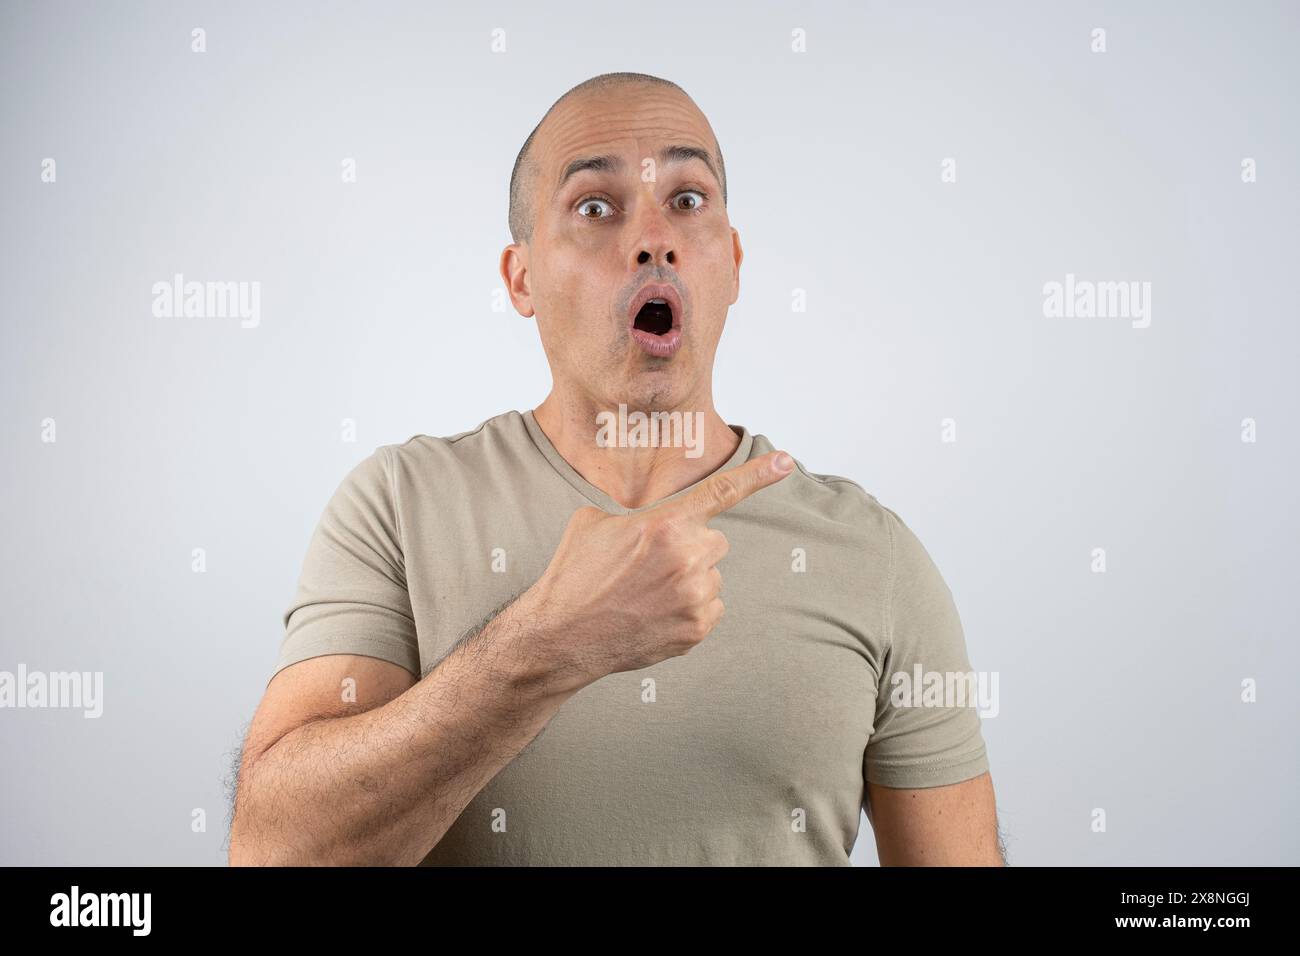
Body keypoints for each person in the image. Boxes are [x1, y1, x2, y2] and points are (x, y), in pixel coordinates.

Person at [228, 71, 1004, 866]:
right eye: (595, 207)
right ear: (520, 277)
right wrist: (551, 642)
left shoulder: (874, 557)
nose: (652, 239)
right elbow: (272, 854)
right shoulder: (396, 506)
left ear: (732, 264)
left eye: (688, 199)